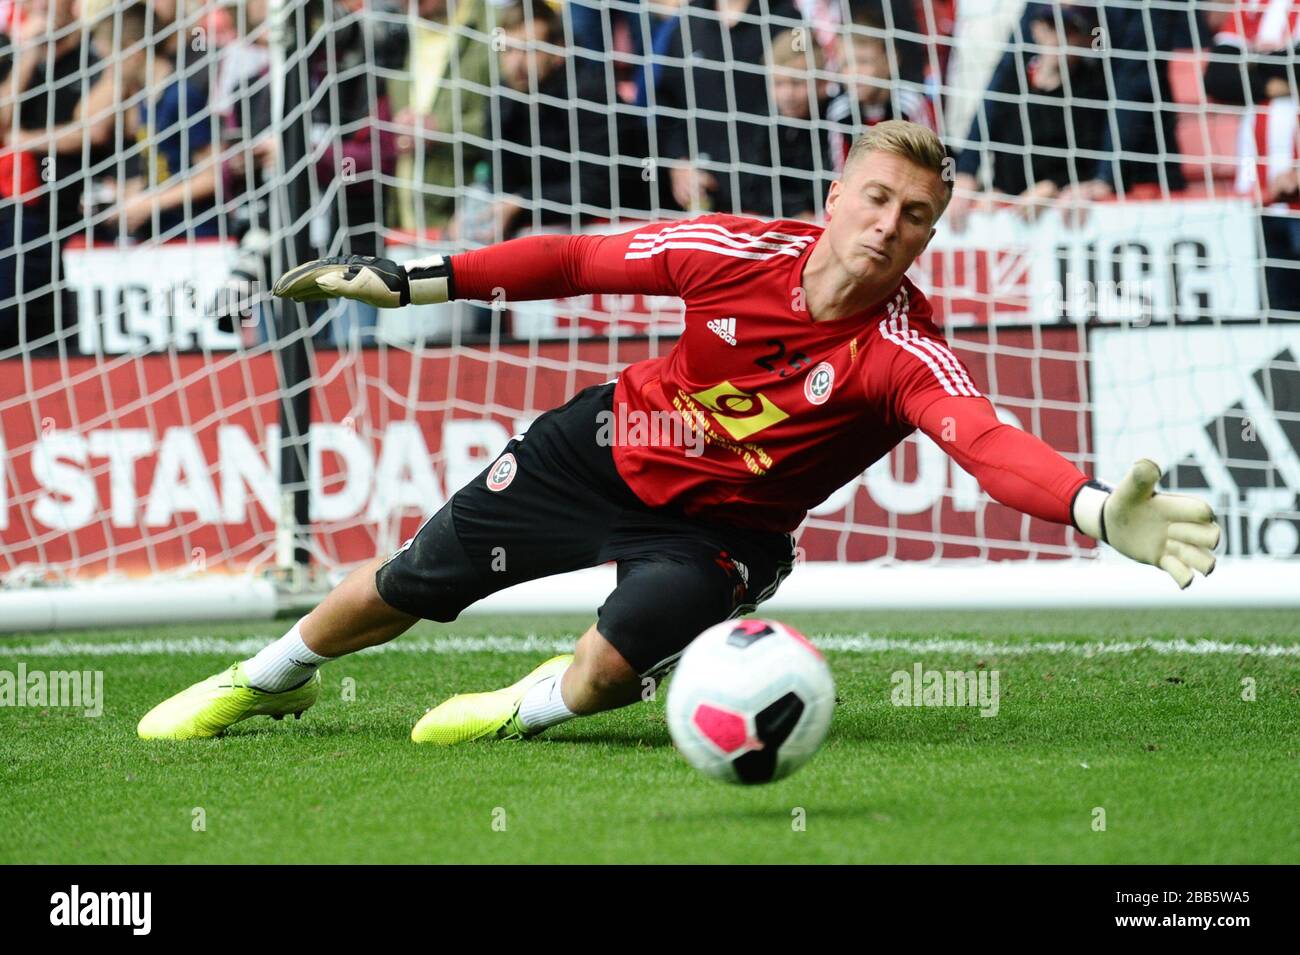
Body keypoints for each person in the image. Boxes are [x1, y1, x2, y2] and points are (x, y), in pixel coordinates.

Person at [136, 121, 1221, 744]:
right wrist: (422, 277)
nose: (890, 227)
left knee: (605, 678)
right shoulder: (734, 251)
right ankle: (267, 677)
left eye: (916, 216)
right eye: (878, 199)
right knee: (411, 580)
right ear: (837, 194)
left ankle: (531, 705)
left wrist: (1086, 504)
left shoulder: (903, 352)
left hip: (724, 532)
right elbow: (569, 262)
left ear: (929, 233)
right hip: (599, 449)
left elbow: (982, 440)